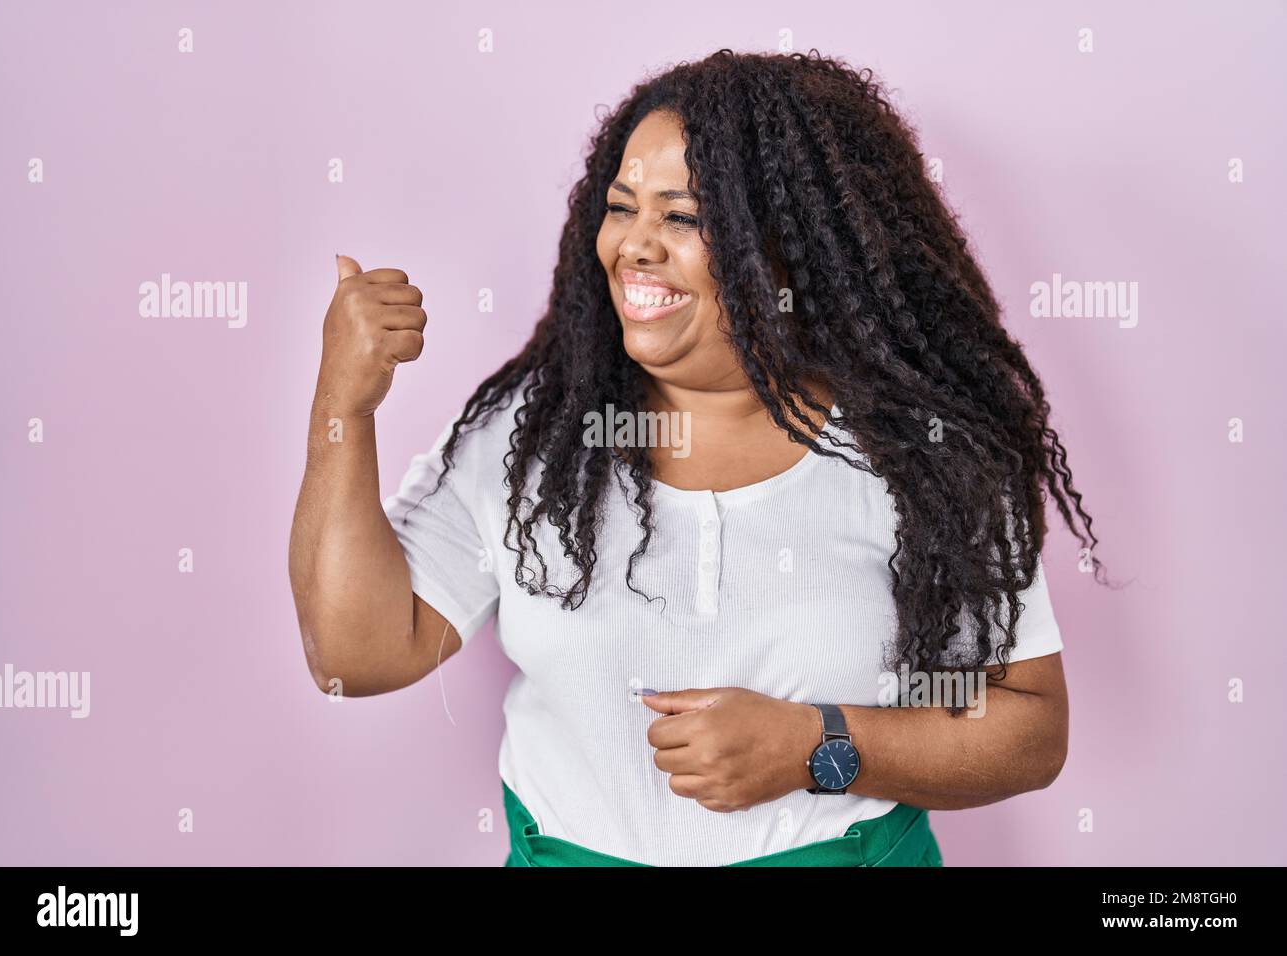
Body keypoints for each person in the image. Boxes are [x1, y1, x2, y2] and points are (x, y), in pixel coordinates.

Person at [288, 49, 1103, 867]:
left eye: (683, 217)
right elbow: (357, 656)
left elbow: (1027, 727)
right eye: (621, 206)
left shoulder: (921, 455)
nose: (635, 246)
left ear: (791, 248)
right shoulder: (535, 439)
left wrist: (819, 745)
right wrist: (342, 410)